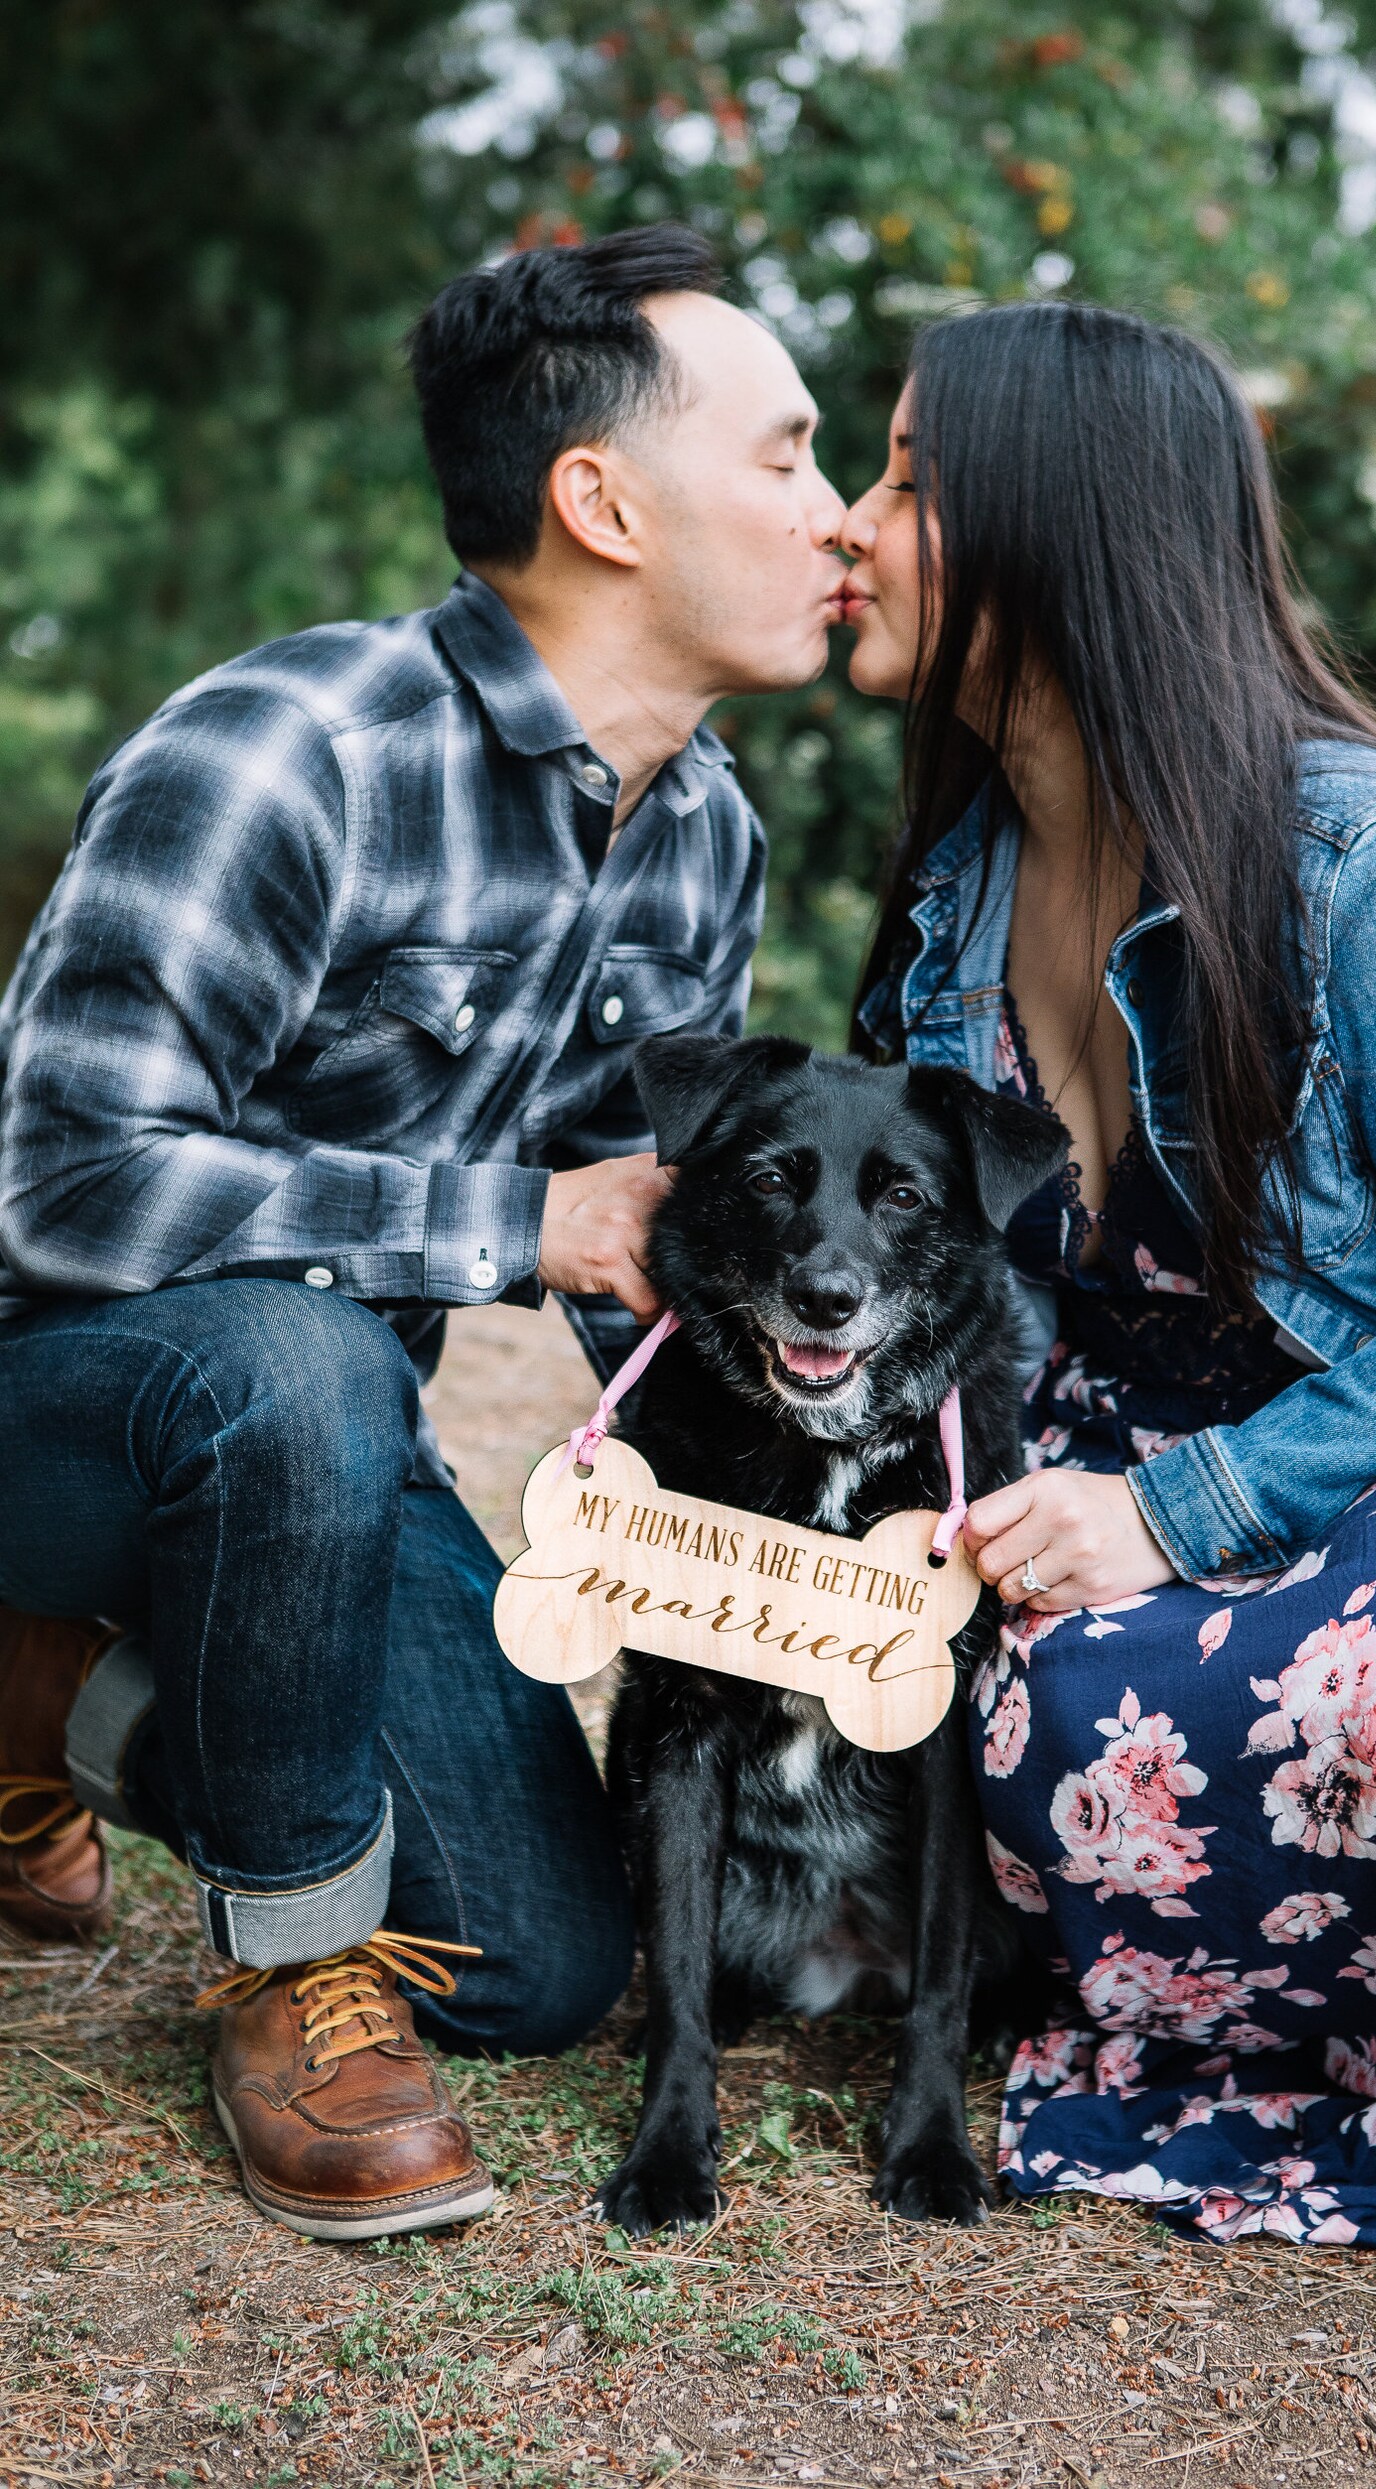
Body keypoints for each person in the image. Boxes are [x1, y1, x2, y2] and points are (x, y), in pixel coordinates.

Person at [0, 224, 847, 2240]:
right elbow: (57, 1181)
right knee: (291, 1352)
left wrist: (799, 1560)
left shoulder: (701, 831)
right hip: (58, 1406)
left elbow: (634, 1258)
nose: (833, 519)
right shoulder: (291, 752)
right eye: (790, 456)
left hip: (310, 1463)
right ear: (601, 499)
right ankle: (288, 1966)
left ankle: (41, 1703)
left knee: (543, 1970)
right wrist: (507, 1220)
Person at [845, 299, 1376, 2260]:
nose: (852, 522)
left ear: (1054, 526)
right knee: (931, 1653)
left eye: (906, 478)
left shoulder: (1372, 869)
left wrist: (1178, 1514)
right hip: (1080, 1444)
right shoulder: (951, 880)